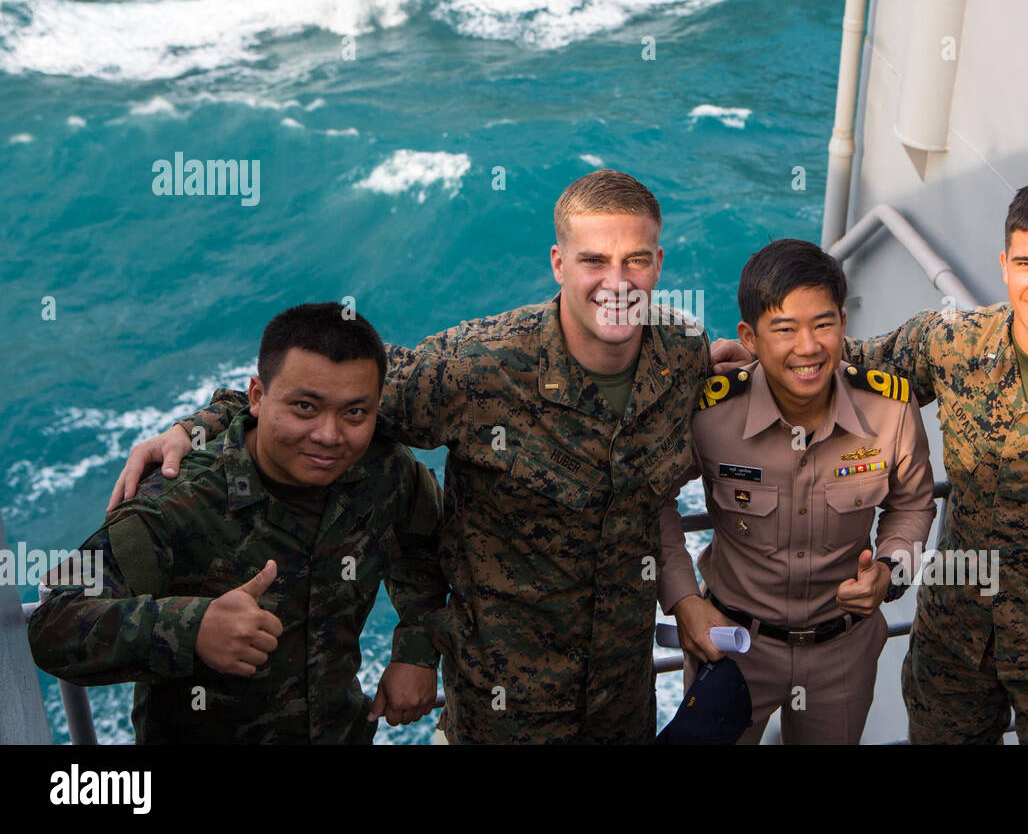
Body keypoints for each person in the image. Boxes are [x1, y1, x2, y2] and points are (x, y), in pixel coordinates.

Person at [107, 170, 710, 744]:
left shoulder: (684, 356)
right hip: (504, 711)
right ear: (559, 264)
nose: (617, 280)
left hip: (622, 703)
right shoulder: (478, 367)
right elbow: (325, 389)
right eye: (594, 260)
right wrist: (199, 426)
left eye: (635, 259)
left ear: (658, 264)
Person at [712, 180, 1028, 744]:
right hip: (953, 650)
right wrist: (752, 360)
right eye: (1027, 262)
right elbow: (840, 364)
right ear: (1005, 264)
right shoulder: (951, 345)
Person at [27, 303, 445, 743]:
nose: (328, 434)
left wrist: (416, 651)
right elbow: (57, 621)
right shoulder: (179, 503)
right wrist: (193, 628)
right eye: (305, 406)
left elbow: (429, 547)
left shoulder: (385, 472)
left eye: (354, 414)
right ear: (258, 397)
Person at [659, 239, 936, 744]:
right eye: (784, 329)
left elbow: (912, 503)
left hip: (844, 654)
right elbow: (655, 503)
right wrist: (683, 601)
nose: (808, 347)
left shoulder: (889, 411)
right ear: (750, 336)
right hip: (732, 649)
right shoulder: (710, 414)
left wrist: (891, 572)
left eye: (823, 324)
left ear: (842, 325)